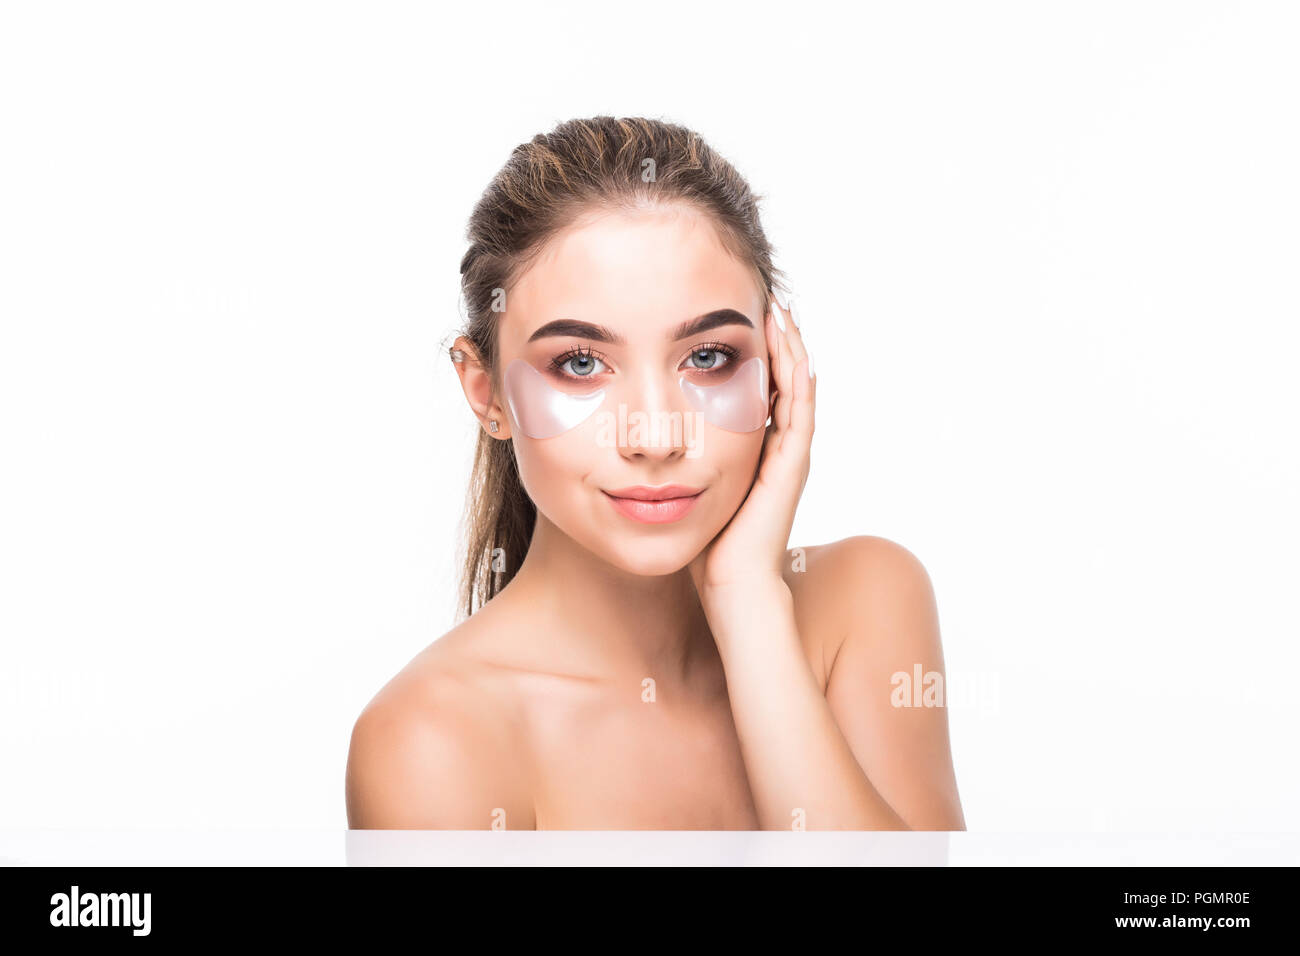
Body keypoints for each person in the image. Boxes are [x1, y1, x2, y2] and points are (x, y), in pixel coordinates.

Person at [346, 116, 965, 830]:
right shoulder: (431, 741)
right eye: (580, 364)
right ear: (487, 393)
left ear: (776, 370)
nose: (654, 434)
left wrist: (749, 605)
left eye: (707, 357)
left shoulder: (865, 603)